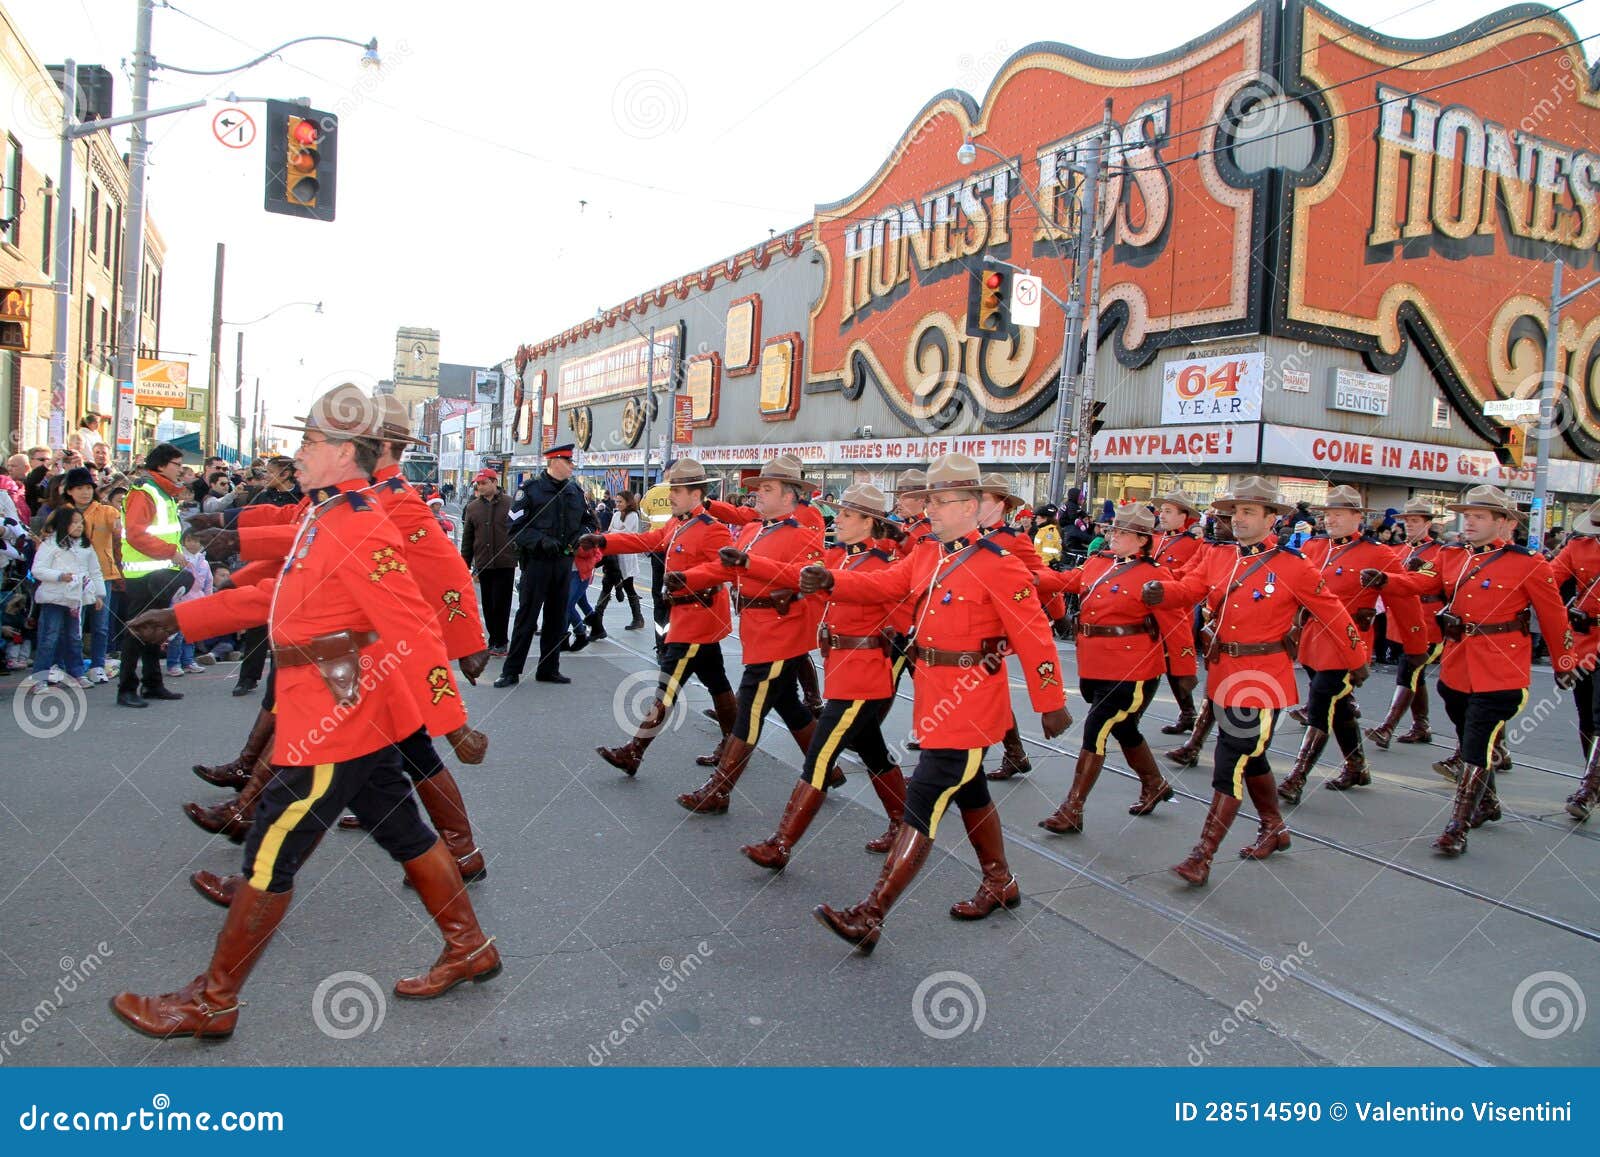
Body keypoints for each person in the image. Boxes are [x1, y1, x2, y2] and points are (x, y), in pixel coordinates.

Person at [112, 385, 498, 1042]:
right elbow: (274, 597)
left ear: (345, 451)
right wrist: (182, 618)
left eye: (310, 441)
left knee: (269, 853)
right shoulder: (329, 514)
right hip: (341, 703)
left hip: (338, 716)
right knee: (404, 830)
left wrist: (450, 716)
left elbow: (411, 623)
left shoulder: (362, 520)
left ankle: (213, 1000)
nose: (298, 452)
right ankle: (469, 946)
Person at [799, 454, 1070, 952]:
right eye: (929, 501)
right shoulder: (927, 554)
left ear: (971, 506)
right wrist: (834, 580)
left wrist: (1049, 699)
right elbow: (887, 584)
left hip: (970, 703)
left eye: (942, 502)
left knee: (922, 802)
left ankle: (871, 913)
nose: (933, 511)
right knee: (971, 793)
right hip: (933, 695)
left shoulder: (1000, 564)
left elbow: (1034, 636)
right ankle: (1000, 879)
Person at [1141, 477, 1368, 886]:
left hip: (1263, 679)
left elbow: (1333, 613)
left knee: (1231, 762)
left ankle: (1202, 855)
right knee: (1252, 756)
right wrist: (1164, 593)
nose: (1239, 519)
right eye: (1235, 511)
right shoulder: (1218, 556)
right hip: (1224, 673)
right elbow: (1193, 587)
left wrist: (1357, 659)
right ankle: (1274, 827)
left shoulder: (1293, 566)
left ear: (1271, 519)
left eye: (1249, 512)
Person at [1365, 485, 1578, 854]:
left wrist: (1564, 661)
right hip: (1458, 664)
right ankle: (1489, 803)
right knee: (1469, 739)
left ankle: (1456, 826)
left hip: (1501, 667)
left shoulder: (1528, 562)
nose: (1470, 523)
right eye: (1468, 516)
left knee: (1477, 742)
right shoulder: (1451, 555)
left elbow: (1554, 615)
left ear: (1504, 522)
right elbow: (1424, 581)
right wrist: (1387, 581)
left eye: (1480, 517)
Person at [736, 483, 914, 866]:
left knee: (819, 758)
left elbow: (903, 615)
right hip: (845, 674)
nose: (840, 520)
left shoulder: (882, 567)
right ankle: (902, 821)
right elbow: (796, 573)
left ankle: (781, 844)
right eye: (842, 513)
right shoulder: (841, 559)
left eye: (849, 515)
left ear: (870, 523)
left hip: (863, 680)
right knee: (874, 753)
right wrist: (749, 564)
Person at [670, 455, 827, 813]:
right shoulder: (756, 529)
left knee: (749, 712)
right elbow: (725, 567)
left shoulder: (803, 535)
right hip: (757, 632)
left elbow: (808, 579)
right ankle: (826, 770)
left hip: (780, 633)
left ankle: (719, 789)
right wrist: (688, 579)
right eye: (758, 487)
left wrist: (750, 564)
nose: (756, 494)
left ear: (790, 496)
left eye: (766, 488)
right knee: (788, 704)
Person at [1036, 505, 1183, 833]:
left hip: (1133, 667)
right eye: (1113, 530)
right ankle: (1154, 783)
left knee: (1097, 728)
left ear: (1142, 541)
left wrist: (1184, 670)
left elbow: (1176, 622)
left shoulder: (1155, 574)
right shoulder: (1099, 563)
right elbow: (1067, 580)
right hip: (1094, 663)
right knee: (1125, 728)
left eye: (1122, 532)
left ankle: (1073, 807)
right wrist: (1031, 577)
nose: (1113, 536)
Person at [585, 459, 736, 777]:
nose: (671, 496)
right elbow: (646, 541)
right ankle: (733, 746)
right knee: (718, 683)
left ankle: (634, 751)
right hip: (687, 617)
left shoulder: (713, 529)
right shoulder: (677, 523)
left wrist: (688, 579)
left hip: (698, 620)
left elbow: (726, 569)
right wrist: (604, 542)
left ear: (696, 494)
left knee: (667, 684)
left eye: (677, 490)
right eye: (671, 489)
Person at [1275, 486, 1399, 805]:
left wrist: (1414, 642)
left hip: (1348, 641)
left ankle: (1298, 775)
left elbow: (1402, 594)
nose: (1330, 519)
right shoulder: (1315, 547)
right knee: (1339, 705)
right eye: (1328, 514)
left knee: (1321, 704)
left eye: (1339, 514)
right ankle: (1357, 766)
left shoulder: (1379, 553)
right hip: (1315, 638)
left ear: (1358, 518)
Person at [495, 443, 594, 687]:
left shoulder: (575, 491)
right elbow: (514, 529)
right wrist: (542, 542)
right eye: (568, 461)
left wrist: (582, 536)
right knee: (527, 617)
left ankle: (549, 668)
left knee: (557, 617)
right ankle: (511, 671)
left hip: (563, 563)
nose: (572, 466)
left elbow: (589, 521)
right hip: (537, 563)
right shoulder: (530, 491)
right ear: (554, 462)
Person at [1365, 499, 1447, 749]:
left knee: (1409, 671)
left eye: (1415, 521)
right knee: (1416, 675)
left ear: (1428, 524)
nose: (1410, 525)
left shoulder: (1441, 552)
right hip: (1400, 621)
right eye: (1407, 521)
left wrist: (1423, 572)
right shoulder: (1397, 550)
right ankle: (1421, 725)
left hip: (1428, 621)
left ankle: (1388, 726)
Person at [115, 443, 190, 708]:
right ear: (161, 465)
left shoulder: (162, 492)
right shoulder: (145, 491)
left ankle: (152, 683)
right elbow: (136, 534)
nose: (181, 470)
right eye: (177, 465)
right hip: (143, 573)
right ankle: (126, 688)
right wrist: (171, 552)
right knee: (137, 631)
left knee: (153, 629)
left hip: (158, 570)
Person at [1549, 498, 1600, 820]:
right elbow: (1549, 578)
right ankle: (1592, 776)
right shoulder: (1579, 548)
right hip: (1584, 639)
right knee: (1585, 714)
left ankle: (1588, 788)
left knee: (1599, 712)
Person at [21, 506, 105, 690]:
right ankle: (39, 677)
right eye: (74, 522)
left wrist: (98, 594)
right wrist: (60, 576)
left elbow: (95, 572)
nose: (79, 526)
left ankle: (76, 673)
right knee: (49, 637)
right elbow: (38, 570)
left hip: (76, 599)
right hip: (54, 599)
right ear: (63, 524)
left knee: (75, 637)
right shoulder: (50, 544)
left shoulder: (85, 546)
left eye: (80, 522)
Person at [1151, 489, 1206, 737]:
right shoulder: (1151, 539)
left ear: (1184, 516)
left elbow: (1192, 577)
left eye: (1169, 511)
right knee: (1153, 664)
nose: (1162, 515)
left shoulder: (1195, 545)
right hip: (1149, 611)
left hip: (1175, 610)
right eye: (1161, 510)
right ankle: (1187, 713)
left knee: (1177, 664)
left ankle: (1188, 713)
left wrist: (1161, 581)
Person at [460, 469, 516, 655]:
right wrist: (464, 563)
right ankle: (493, 639)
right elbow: (468, 538)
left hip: (505, 562)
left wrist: (520, 557)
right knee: (488, 604)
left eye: (484, 483)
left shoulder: (510, 503)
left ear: (494, 482)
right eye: (478, 484)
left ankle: (501, 641)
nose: (481, 487)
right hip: (483, 562)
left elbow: (520, 532)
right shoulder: (473, 507)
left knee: (502, 603)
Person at [588, 490, 644, 637]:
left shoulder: (633, 515)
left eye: (620, 502)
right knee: (607, 586)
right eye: (616, 501)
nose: (617, 504)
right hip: (612, 555)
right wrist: (612, 534)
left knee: (628, 586)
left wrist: (612, 534)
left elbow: (627, 533)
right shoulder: (616, 514)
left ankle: (637, 617)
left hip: (626, 556)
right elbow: (613, 530)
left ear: (628, 502)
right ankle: (598, 622)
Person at [164, 531, 214, 678]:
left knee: (191, 635)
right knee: (177, 636)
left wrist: (208, 601)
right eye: (190, 540)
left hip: (197, 601)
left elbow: (208, 584)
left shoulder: (204, 562)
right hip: (179, 602)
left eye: (197, 541)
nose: (193, 544)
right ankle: (173, 663)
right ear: (183, 542)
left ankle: (188, 661)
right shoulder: (178, 559)